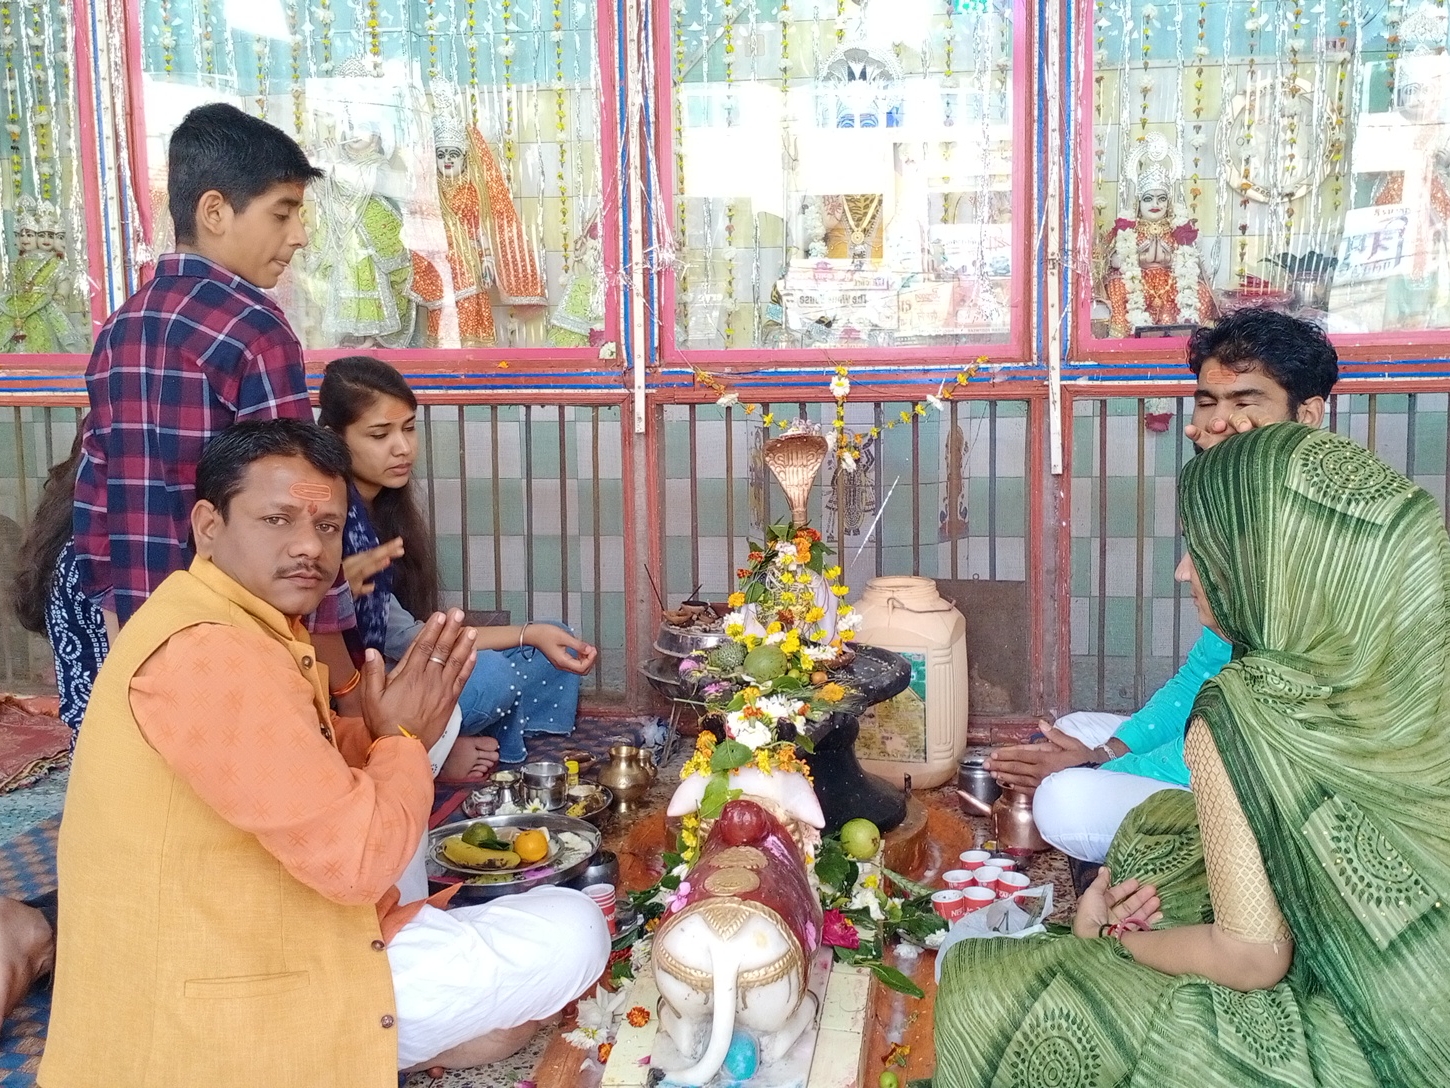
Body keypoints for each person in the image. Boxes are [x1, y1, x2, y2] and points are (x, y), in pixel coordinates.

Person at [39, 420, 610, 1087]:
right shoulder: (209, 653)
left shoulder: (224, 619)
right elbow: (358, 866)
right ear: (209, 525)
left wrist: (380, 733)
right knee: (576, 928)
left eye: (329, 526)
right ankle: (375, 1038)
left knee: (421, 788)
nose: (309, 546)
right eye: (277, 519)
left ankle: (420, 1025)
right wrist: (398, 741)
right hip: (221, 1005)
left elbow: (296, 764)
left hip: (257, 930)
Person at [936, 422, 1450, 1086]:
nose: (1182, 570)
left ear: (1275, 559)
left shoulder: (1245, 711)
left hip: (1373, 1039)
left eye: (1203, 549)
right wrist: (1108, 758)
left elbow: (1254, 957)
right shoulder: (1411, 671)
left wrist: (1113, 940)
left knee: (975, 982)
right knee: (1155, 830)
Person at [986, 307, 1339, 863]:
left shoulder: (1315, 528)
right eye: (1208, 402)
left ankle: (1229, 865)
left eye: (1245, 403)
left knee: (1066, 801)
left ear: (1310, 414)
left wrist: (1100, 767)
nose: (1220, 422)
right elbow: (1204, 677)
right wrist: (1105, 749)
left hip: (1292, 782)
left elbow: (1249, 730)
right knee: (1077, 727)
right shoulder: (1240, 504)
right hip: (1228, 741)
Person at [62, 102, 358, 730]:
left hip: (143, 630)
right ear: (216, 211)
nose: (299, 235)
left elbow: (93, 496)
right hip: (237, 631)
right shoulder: (256, 331)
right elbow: (304, 503)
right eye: (283, 212)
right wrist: (341, 679)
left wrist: (122, 627)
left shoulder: (119, 328)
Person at [317, 356, 597, 781]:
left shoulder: (377, 516)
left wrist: (531, 634)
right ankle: (431, 755)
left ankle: (447, 739)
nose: (403, 448)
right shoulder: (327, 517)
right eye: (380, 434)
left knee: (552, 640)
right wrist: (332, 589)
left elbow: (407, 636)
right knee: (491, 673)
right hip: (345, 704)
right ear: (334, 438)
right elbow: (315, 642)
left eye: (409, 428)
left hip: (392, 673)